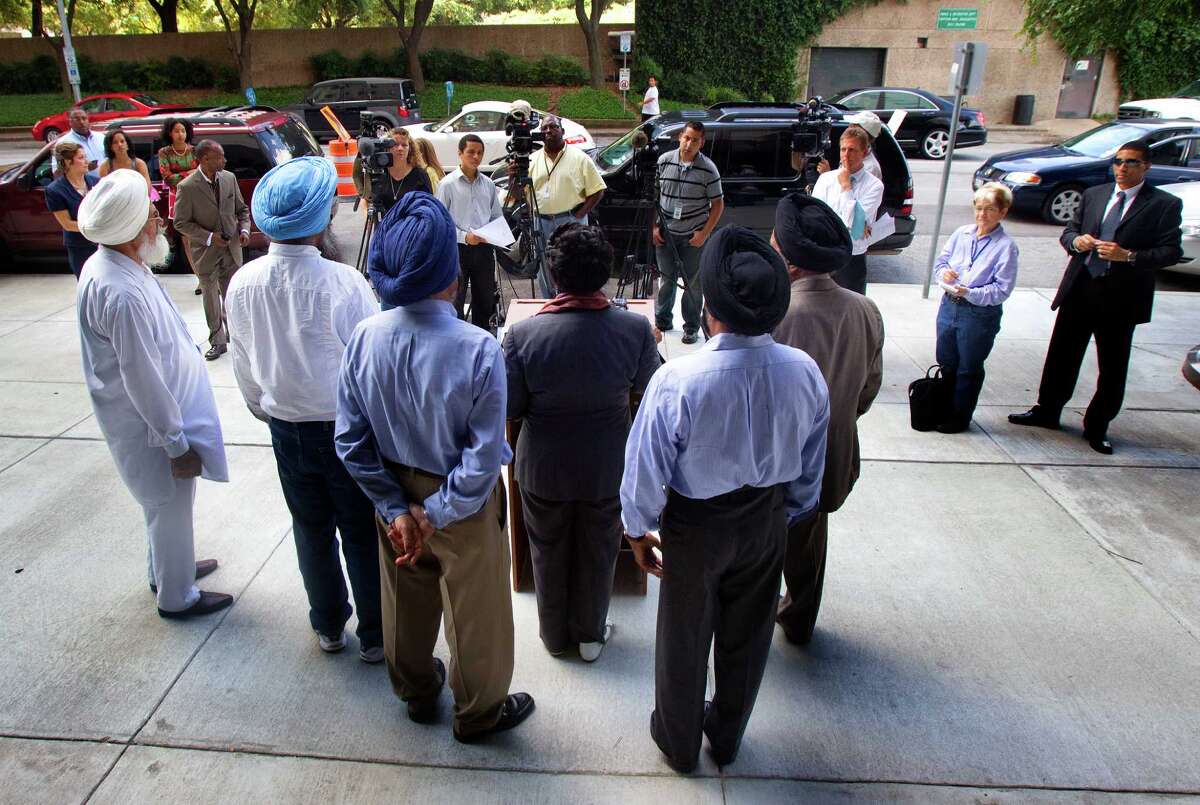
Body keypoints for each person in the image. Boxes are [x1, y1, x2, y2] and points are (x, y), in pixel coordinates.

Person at [621, 226, 830, 773]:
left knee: (684, 636)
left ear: (709, 306)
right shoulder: (805, 372)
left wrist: (638, 530)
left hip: (697, 524)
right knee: (749, 634)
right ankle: (728, 735)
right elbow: (810, 469)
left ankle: (679, 740)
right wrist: (785, 515)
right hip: (766, 519)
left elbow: (645, 467)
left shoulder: (680, 379)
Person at [335, 192, 534, 742]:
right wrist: (433, 512)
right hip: (460, 502)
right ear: (451, 273)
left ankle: (418, 693)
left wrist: (397, 508)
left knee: (405, 594)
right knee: (477, 610)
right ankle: (479, 712)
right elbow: (481, 456)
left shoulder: (363, 338)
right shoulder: (477, 348)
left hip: (391, 487)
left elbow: (350, 441)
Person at [225, 157, 384, 663]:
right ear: (322, 222)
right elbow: (370, 366)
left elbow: (244, 364)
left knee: (311, 528)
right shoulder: (344, 283)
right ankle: (377, 635)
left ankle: (329, 626)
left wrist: (266, 410)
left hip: (285, 426)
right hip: (345, 430)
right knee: (360, 531)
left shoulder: (243, 282)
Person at [74, 169, 232, 619]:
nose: (158, 219)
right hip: (153, 430)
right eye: (149, 215)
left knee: (163, 509)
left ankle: (167, 568)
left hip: (161, 422)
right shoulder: (119, 290)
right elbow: (141, 377)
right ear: (129, 230)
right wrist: (175, 443)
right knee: (168, 505)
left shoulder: (120, 266)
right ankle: (177, 595)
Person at [503, 224, 660, 662]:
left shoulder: (523, 336)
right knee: (599, 550)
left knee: (547, 551)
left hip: (543, 468)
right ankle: (591, 637)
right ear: (604, 275)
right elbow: (651, 391)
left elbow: (512, 407)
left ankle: (554, 638)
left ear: (555, 277)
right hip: (606, 466)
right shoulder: (634, 330)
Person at [1009, 140, 1183, 454]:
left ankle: (1097, 426)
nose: (1122, 168)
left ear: (1146, 166)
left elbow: (1171, 252)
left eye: (1130, 162)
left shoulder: (1163, 205)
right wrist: (1077, 241)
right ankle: (1048, 410)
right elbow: (1068, 232)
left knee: (1112, 367)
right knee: (1062, 355)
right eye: (1118, 161)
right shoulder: (1094, 195)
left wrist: (1128, 256)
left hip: (1121, 297)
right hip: (1081, 288)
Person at [770, 193, 883, 645]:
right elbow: (868, 388)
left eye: (776, 244)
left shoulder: (777, 314)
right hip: (834, 455)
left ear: (793, 265)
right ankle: (799, 620)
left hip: (778, 459)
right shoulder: (865, 309)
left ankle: (757, 622)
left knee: (765, 545)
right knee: (810, 547)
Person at [932, 182, 1019, 433]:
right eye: (979, 208)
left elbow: (1002, 289)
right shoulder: (962, 234)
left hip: (978, 313)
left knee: (968, 368)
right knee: (946, 361)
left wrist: (970, 292)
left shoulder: (1006, 247)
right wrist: (945, 274)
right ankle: (943, 408)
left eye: (990, 209)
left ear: (1002, 212)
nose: (982, 215)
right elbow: (941, 262)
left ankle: (960, 416)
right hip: (950, 305)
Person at [508, 111, 606, 298]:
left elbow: (598, 190)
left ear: (562, 131)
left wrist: (580, 214)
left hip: (570, 220)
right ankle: (550, 304)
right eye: (544, 128)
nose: (548, 130)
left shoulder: (579, 158)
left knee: (575, 263)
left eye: (553, 126)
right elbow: (519, 196)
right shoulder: (531, 159)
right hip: (541, 221)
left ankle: (575, 301)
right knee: (544, 266)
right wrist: (513, 177)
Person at [173, 139, 251, 361]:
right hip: (206, 253)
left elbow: (242, 210)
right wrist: (208, 237)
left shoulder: (229, 178)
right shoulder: (187, 187)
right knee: (211, 298)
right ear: (205, 159)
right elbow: (181, 223)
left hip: (231, 251)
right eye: (220, 156)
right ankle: (217, 341)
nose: (224, 160)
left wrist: (244, 231)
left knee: (233, 296)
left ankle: (237, 336)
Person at [654, 120, 725, 344]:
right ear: (679, 137)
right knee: (666, 280)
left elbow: (718, 205)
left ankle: (692, 326)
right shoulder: (664, 162)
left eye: (695, 140)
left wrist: (704, 233)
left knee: (693, 284)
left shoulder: (708, 169)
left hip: (693, 235)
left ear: (701, 143)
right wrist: (654, 226)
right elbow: (655, 198)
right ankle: (662, 320)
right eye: (686, 138)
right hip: (666, 233)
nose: (689, 144)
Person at [436, 134, 504, 331]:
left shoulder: (489, 184)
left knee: (485, 297)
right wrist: (464, 237)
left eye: (480, 153)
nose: (476, 157)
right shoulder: (447, 184)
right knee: (455, 298)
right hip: (457, 249)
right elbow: (441, 222)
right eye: (471, 152)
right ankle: (456, 337)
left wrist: (495, 234)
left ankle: (482, 336)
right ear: (460, 153)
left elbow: (496, 216)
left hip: (484, 248)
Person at [811, 125, 884, 295]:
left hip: (852, 258)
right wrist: (854, 222)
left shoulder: (874, 186)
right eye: (843, 149)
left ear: (864, 153)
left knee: (850, 312)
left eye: (852, 150)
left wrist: (846, 187)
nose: (846, 155)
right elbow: (815, 217)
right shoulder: (826, 179)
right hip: (826, 253)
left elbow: (856, 228)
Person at [157, 117, 202, 295]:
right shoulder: (164, 153)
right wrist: (188, 174)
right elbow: (166, 177)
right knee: (187, 239)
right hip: (177, 198)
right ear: (170, 133)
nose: (180, 134)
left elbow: (202, 173)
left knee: (202, 236)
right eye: (176, 131)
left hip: (198, 196)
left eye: (183, 130)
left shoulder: (195, 150)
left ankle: (208, 276)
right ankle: (199, 278)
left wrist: (181, 176)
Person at [45, 140, 99, 278]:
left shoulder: (95, 182)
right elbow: (67, 224)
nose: (86, 161)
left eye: (85, 157)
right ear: (68, 162)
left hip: (103, 243)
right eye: (81, 158)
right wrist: (96, 228)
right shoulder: (55, 191)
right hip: (80, 247)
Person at [369, 128, 432, 215]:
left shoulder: (420, 175)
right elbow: (365, 200)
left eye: (404, 145)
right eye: (395, 144)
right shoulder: (380, 173)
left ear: (410, 149)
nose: (400, 148)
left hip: (410, 226)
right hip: (384, 226)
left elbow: (429, 205)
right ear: (388, 148)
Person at [818, 113, 883, 181]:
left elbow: (848, 190)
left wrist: (827, 175)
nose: (848, 128)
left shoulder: (871, 168)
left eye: (852, 127)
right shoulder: (849, 153)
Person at [49, 108, 104, 177]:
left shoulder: (101, 137)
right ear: (70, 122)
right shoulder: (63, 143)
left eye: (84, 118)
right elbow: (57, 174)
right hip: (83, 186)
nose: (82, 122)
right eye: (77, 119)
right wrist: (81, 168)